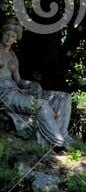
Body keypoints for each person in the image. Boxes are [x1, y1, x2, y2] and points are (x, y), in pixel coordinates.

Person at [0, 19, 71, 149]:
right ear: (2, 33)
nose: (9, 38)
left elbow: (18, 80)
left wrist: (31, 84)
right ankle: (58, 143)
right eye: (7, 34)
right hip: (4, 94)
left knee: (63, 98)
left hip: (16, 90)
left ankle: (61, 135)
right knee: (41, 105)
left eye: (13, 36)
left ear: (16, 39)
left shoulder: (12, 56)